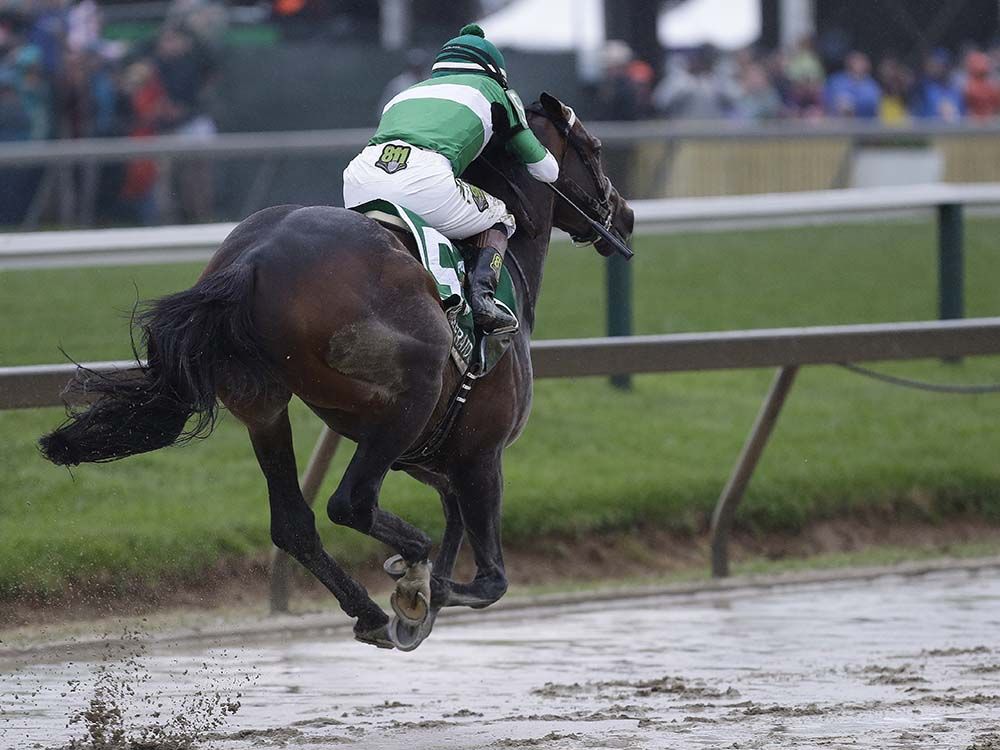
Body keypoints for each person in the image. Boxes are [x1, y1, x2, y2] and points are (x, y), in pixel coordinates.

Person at [343, 24, 559, 334]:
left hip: (359, 179)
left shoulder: (406, 91)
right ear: (493, 71)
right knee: (502, 217)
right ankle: (483, 299)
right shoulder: (496, 91)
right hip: (425, 182)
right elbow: (545, 170)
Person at [824, 51, 881, 119]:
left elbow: (875, 104)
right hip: (840, 124)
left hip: (868, 125)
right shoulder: (837, 81)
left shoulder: (872, 84)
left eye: (863, 61)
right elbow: (839, 104)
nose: (861, 64)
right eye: (857, 61)